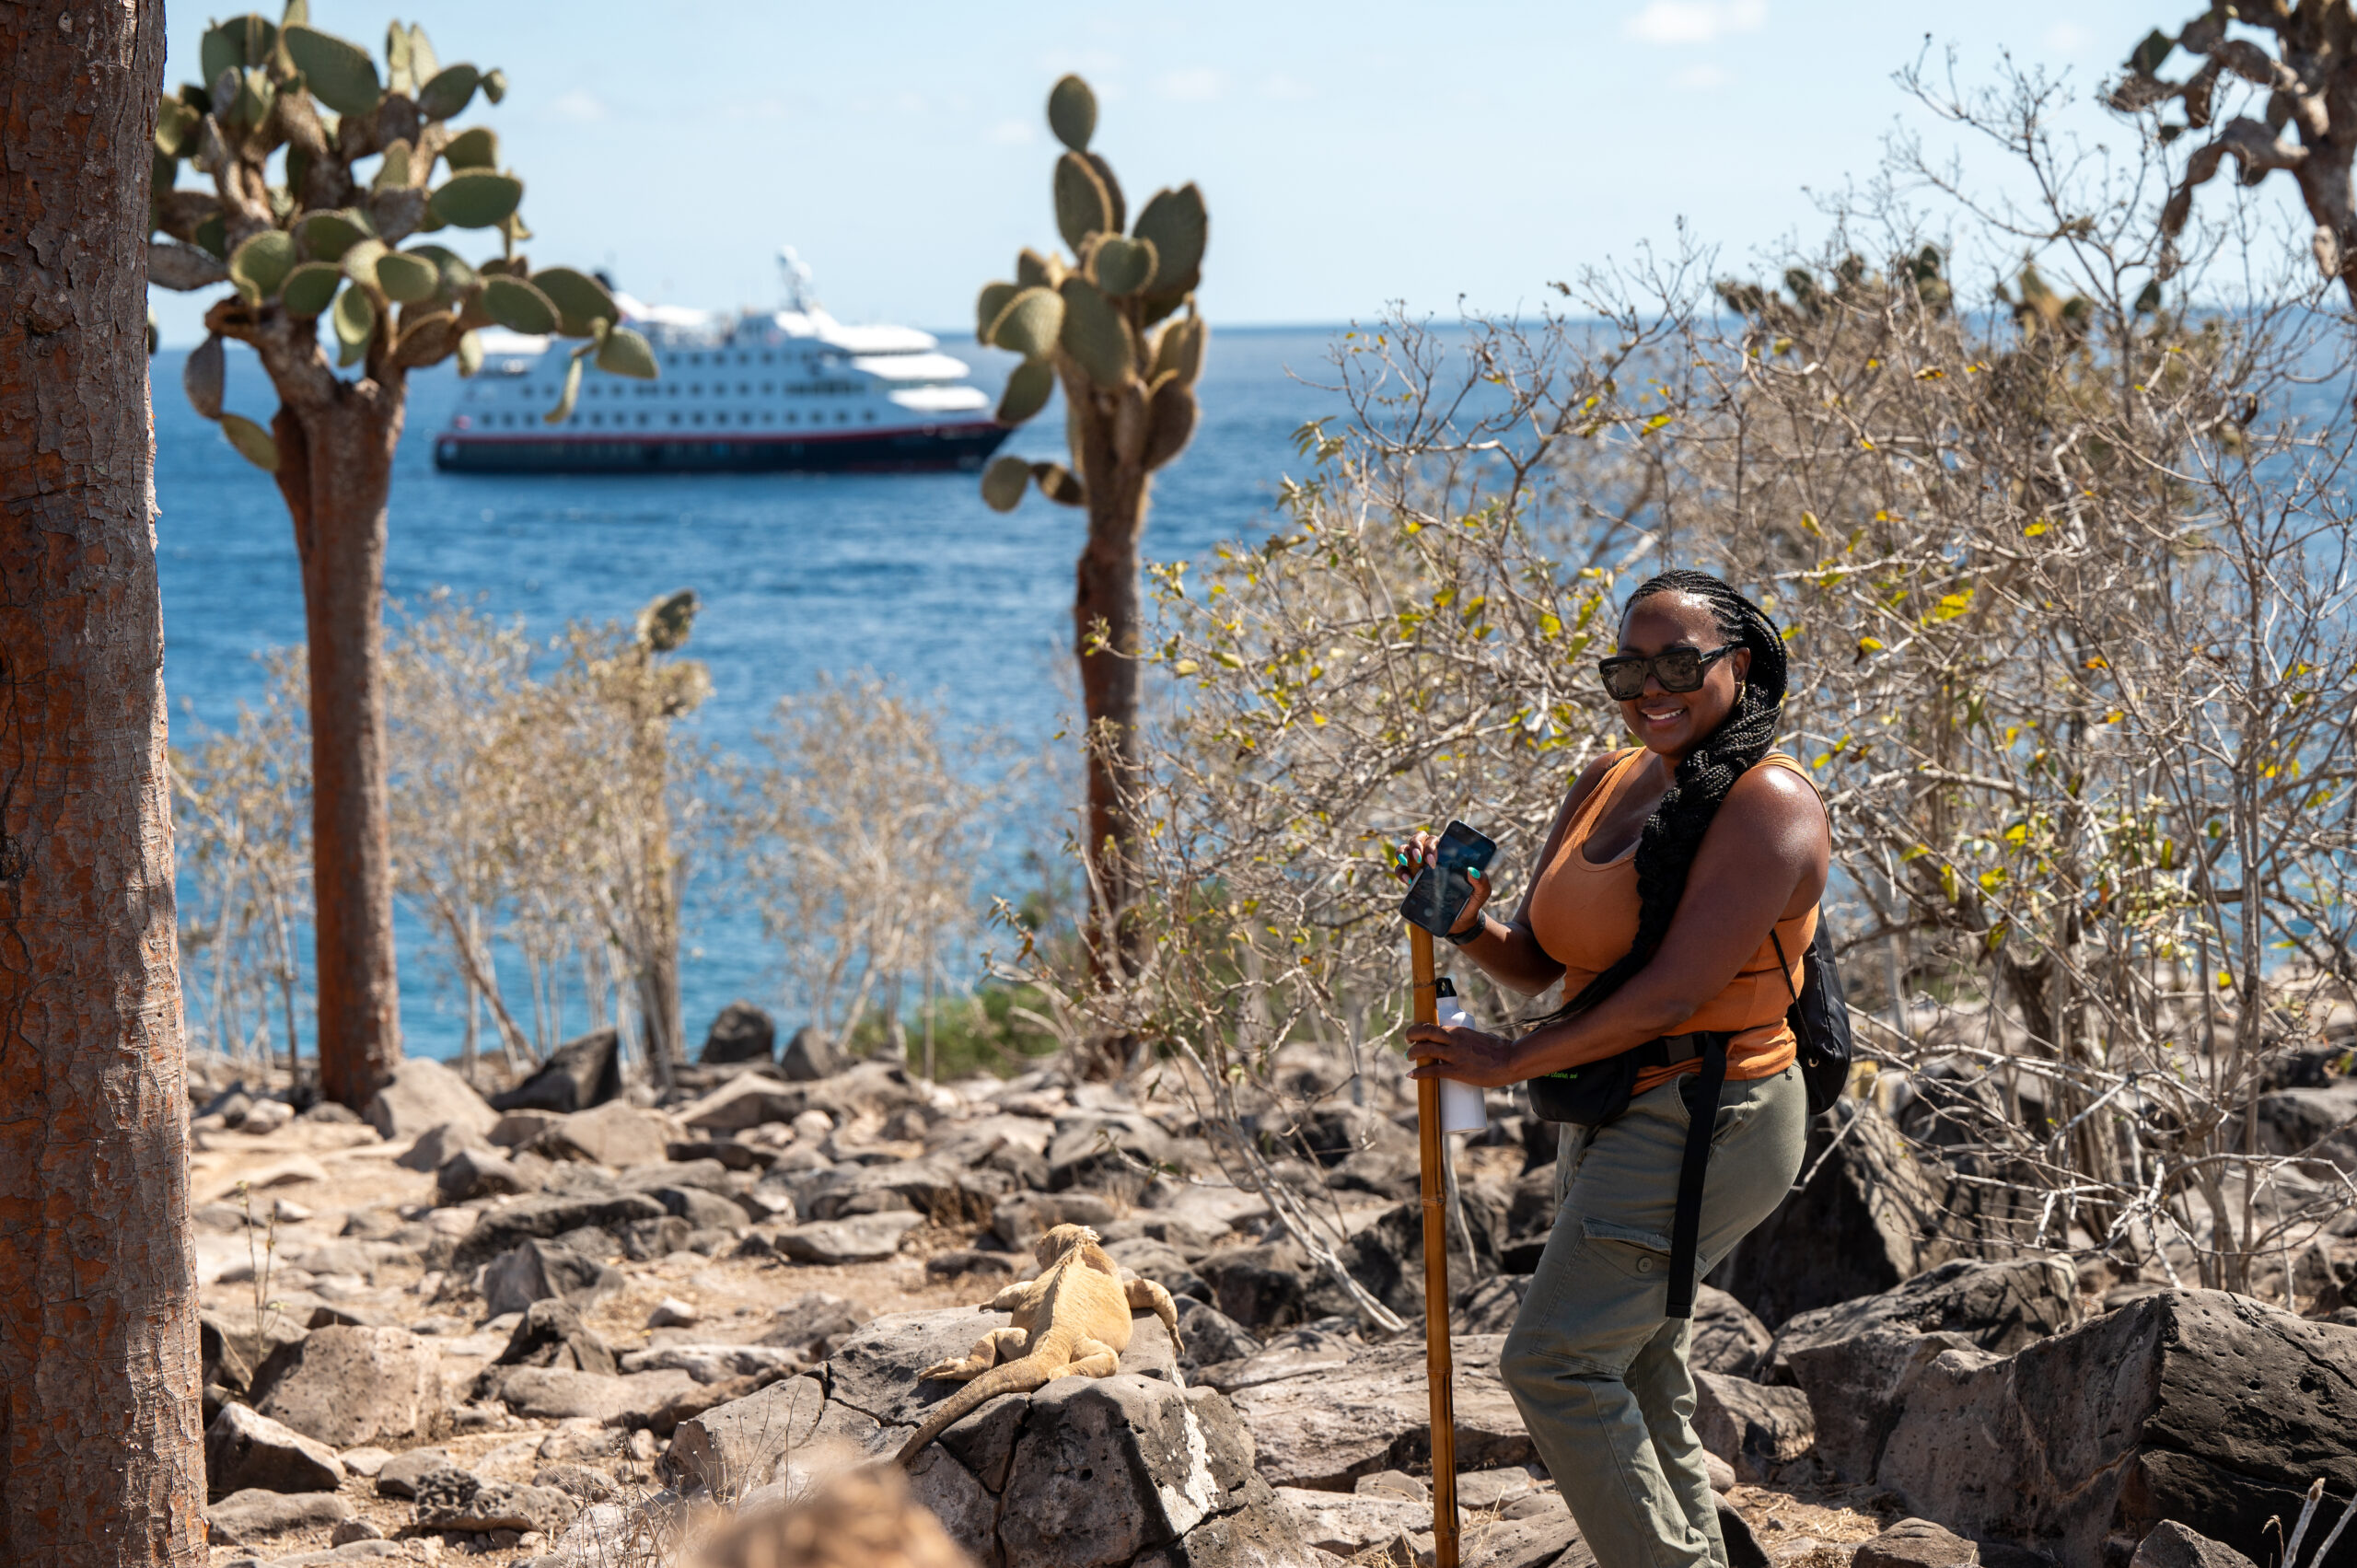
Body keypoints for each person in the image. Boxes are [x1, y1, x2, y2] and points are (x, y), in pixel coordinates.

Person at [1394, 569, 1828, 1567]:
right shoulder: (1606, 776)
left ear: (1741, 663)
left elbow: (1674, 991)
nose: (1651, 686)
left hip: (1714, 1113)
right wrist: (1468, 923)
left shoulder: (1771, 804)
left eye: (1680, 661)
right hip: (1611, 1101)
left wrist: (1508, 1060)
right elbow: (1545, 959)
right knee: (1634, 1360)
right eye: (1628, 666)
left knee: (1550, 1362)